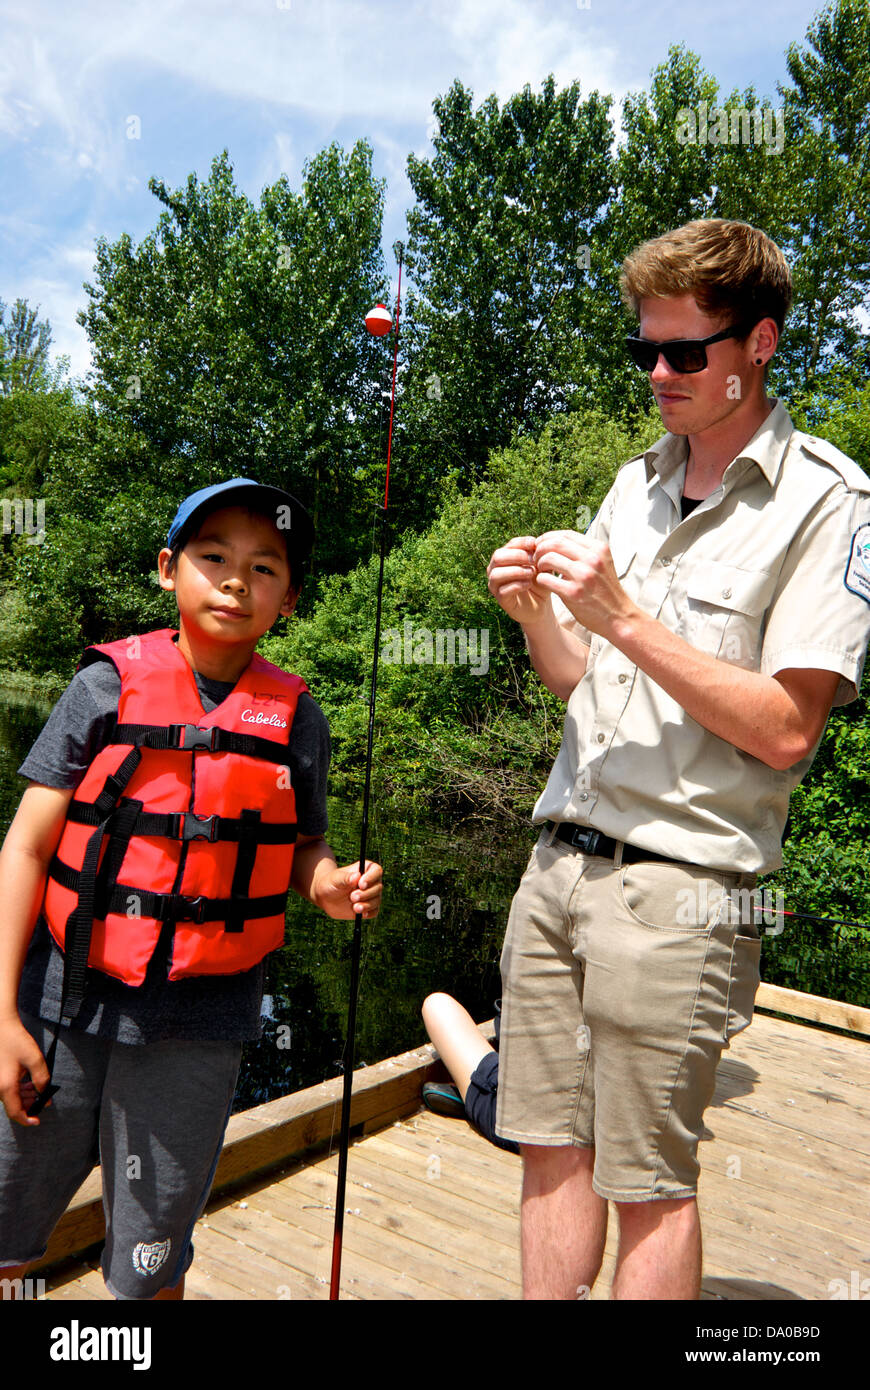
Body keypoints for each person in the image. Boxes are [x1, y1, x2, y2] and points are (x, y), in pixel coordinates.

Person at [486, 219, 870, 1301]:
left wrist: (622, 615)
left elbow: (789, 728)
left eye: (686, 352)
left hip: (683, 890)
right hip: (555, 862)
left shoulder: (830, 502)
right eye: (643, 351)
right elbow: (581, 683)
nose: (658, 373)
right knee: (549, 1147)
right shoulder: (631, 483)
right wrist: (533, 617)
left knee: (648, 1177)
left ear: (761, 344)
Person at [0, 477, 382, 1301]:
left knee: (150, 1258)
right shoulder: (102, 687)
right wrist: (0, 1015)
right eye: (214, 558)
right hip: (60, 1004)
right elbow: (26, 847)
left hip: (200, 1025)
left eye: (265, 567)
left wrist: (330, 886)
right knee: (4, 1225)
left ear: (289, 598)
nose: (237, 581)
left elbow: (302, 847)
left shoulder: (298, 720)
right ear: (168, 569)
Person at [421, 993, 519, 1156]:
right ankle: (467, 1090)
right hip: (574, 1124)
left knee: (437, 1005)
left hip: (520, 1120)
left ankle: (468, 1090)